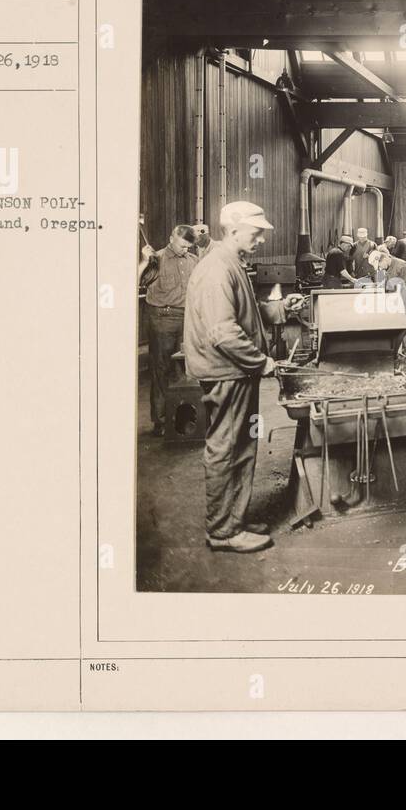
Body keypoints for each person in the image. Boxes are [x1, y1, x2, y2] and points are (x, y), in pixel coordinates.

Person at [183, 201, 305, 553]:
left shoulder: (232, 264)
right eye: (256, 233)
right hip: (228, 373)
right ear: (234, 230)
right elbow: (223, 332)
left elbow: (244, 316)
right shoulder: (217, 269)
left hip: (236, 372)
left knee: (241, 445)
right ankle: (222, 531)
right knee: (227, 448)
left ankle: (234, 518)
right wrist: (262, 362)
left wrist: (281, 308)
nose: (262, 240)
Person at [139, 224, 200, 437]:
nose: (185, 250)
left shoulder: (194, 261)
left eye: (188, 247)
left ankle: (183, 418)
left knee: (184, 369)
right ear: (172, 237)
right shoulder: (157, 258)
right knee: (162, 368)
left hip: (187, 318)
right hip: (162, 318)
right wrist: (145, 261)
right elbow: (136, 281)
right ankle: (161, 421)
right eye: (182, 245)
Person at [369, 247, 406, 358]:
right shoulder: (385, 267)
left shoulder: (401, 266)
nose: (380, 269)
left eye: (380, 266)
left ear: (385, 259)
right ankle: (394, 349)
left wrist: (396, 305)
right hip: (397, 297)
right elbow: (383, 283)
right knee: (397, 324)